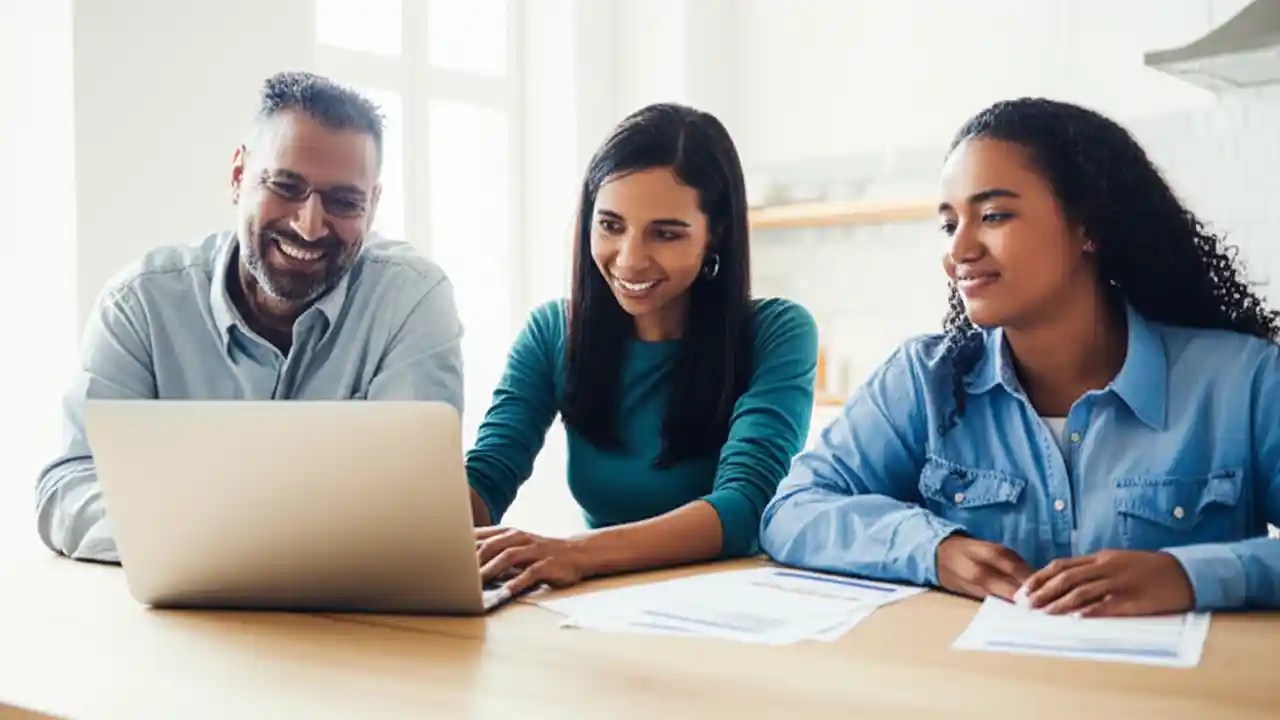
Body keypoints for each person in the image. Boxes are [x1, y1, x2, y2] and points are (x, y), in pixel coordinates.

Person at [761, 97, 1280, 615]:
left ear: (1088, 227)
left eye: (993, 215)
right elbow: (792, 510)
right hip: (985, 688)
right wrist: (932, 549)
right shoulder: (925, 381)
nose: (959, 250)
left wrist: (1188, 576)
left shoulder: (1245, 382)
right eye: (949, 225)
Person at [36, 71, 463, 562]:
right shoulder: (141, 305)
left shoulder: (410, 300)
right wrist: (210, 543)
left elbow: (414, 503)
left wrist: (214, 536)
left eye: (344, 201)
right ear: (239, 176)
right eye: (286, 186)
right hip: (173, 618)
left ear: (373, 206)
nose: (309, 224)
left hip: (346, 623)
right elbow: (68, 486)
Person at [467, 103, 818, 596]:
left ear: (714, 232)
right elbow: (486, 477)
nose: (629, 260)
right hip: (596, 609)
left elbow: (744, 508)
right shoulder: (553, 331)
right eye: (611, 225)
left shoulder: (775, 332)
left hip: (730, 607)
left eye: (666, 233)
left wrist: (573, 553)